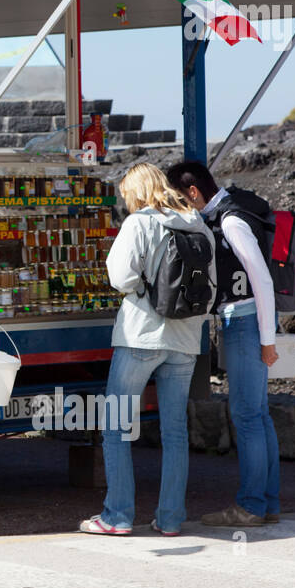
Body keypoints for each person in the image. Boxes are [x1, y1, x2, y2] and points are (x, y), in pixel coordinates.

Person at [80, 163, 215, 536]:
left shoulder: (139, 223)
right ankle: (170, 519)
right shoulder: (199, 224)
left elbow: (120, 276)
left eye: (127, 195)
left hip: (141, 336)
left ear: (137, 192)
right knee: (175, 432)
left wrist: (141, 286)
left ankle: (118, 516)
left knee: (116, 428)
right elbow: (211, 290)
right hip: (185, 342)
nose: (125, 202)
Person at [166, 160, 279, 528]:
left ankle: (250, 506)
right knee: (258, 415)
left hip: (246, 323)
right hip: (250, 323)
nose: (180, 206)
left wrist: (267, 340)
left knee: (247, 416)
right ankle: (267, 502)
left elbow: (261, 279)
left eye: (179, 199)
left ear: (193, 193)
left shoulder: (230, 221)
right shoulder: (232, 212)